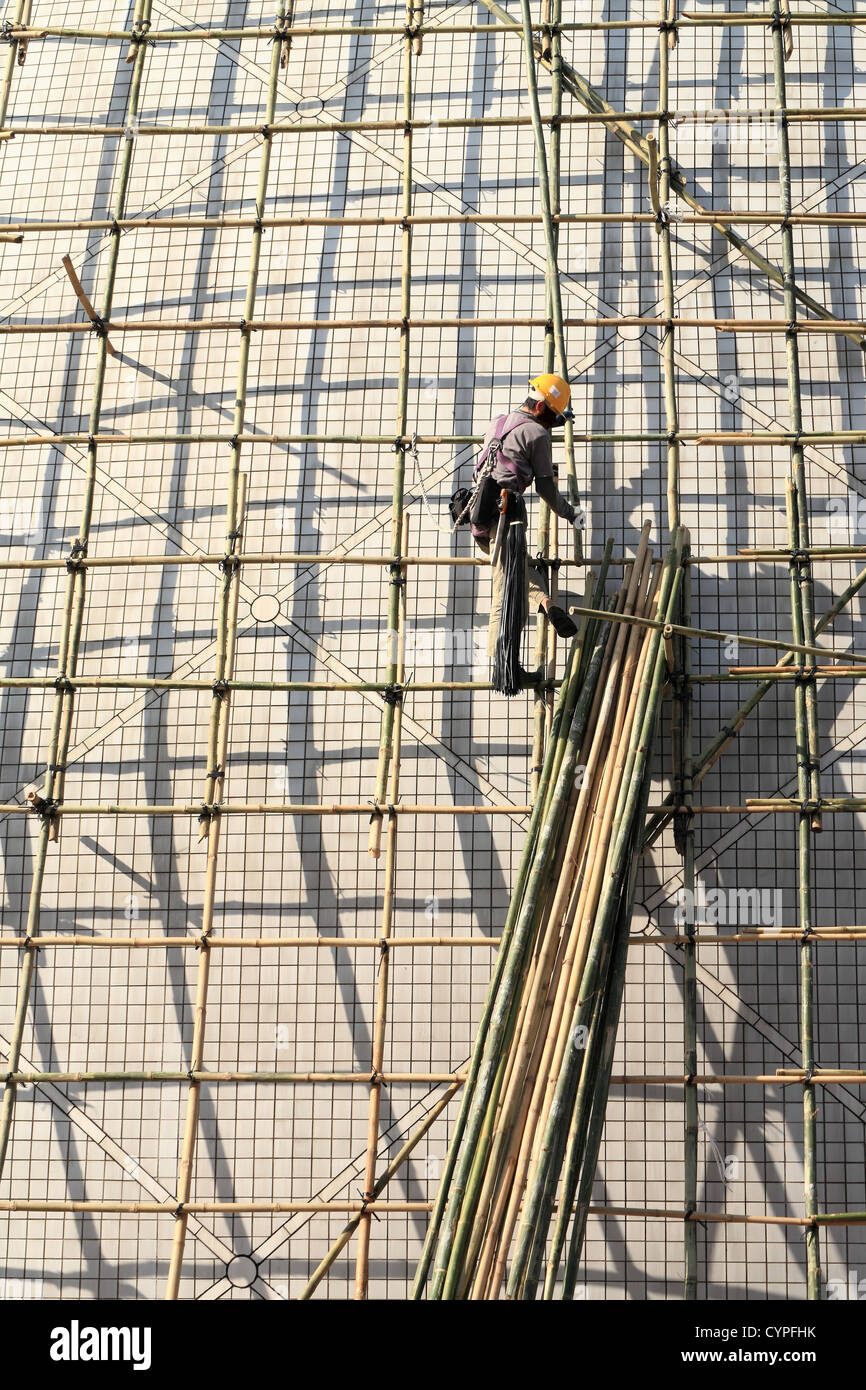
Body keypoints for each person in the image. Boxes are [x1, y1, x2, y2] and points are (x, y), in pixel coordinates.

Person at [470, 374, 579, 682]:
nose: (553, 423)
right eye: (554, 416)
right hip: (507, 516)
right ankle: (503, 670)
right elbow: (546, 488)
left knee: (517, 576)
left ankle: (547, 603)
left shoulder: (498, 422)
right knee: (506, 594)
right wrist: (572, 514)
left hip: (481, 514)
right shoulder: (538, 435)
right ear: (542, 406)